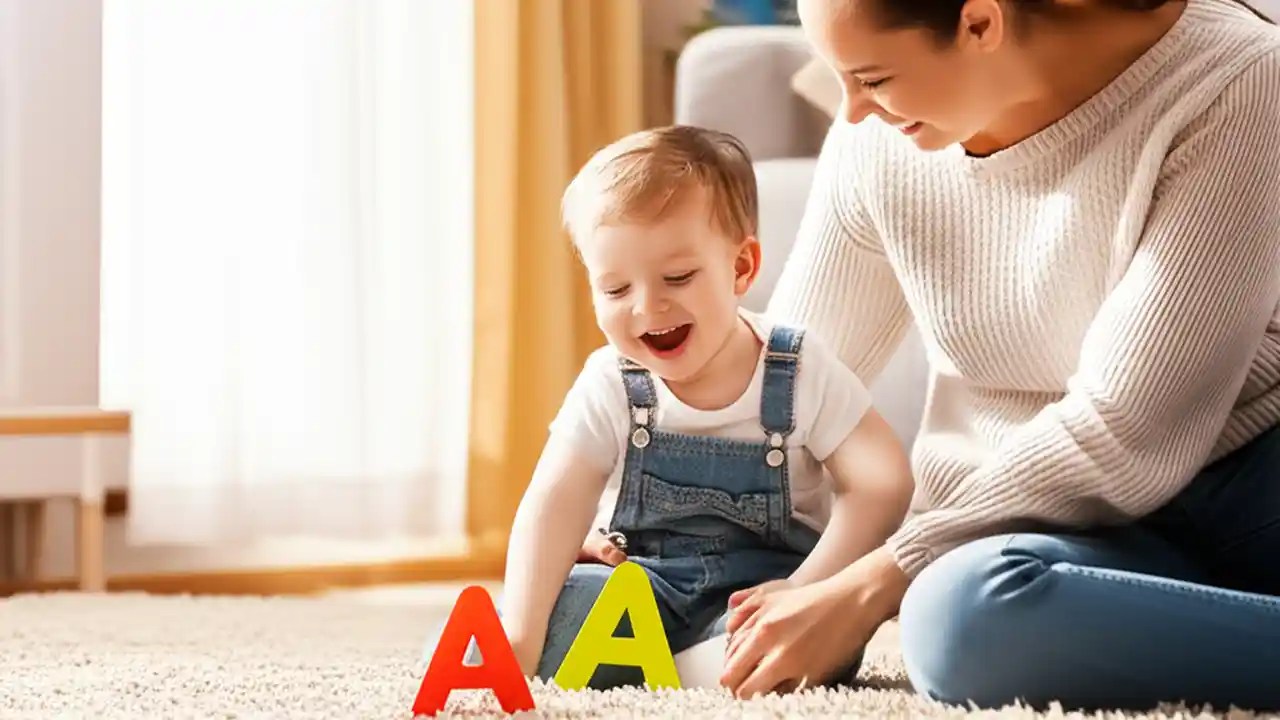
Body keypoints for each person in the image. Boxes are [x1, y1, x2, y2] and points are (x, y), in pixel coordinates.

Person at [701, 0, 1280, 711]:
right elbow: (784, 391)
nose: (850, 113)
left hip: (1248, 486)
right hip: (1049, 521)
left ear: (979, 22)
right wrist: (627, 520)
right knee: (959, 618)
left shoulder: (1239, 78)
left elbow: (1128, 432)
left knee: (928, 597)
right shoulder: (877, 141)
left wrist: (875, 580)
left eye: (873, 78)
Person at [498, 125, 915, 688]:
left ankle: (677, 670)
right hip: (645, 586)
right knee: (546, 615)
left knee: (821, 647)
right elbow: (553, 503)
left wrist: (807, 589)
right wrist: (520, 637)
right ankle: (689, 671)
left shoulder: (797, 368)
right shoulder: (611, 381)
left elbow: (882, 481)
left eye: (678, 278)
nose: (648, 307)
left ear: (741, 268)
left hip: (764, 591)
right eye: (616, 290)